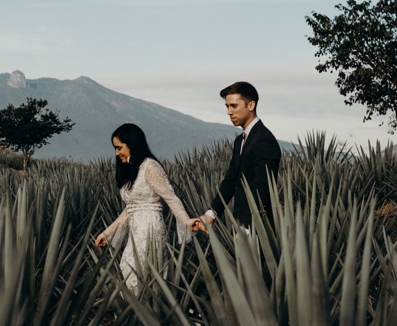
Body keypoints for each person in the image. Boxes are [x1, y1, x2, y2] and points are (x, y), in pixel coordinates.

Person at [95, 123, 201, 295]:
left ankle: (144, 316)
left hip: (151, 231)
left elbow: (171, 197)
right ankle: (136, 318)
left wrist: (186, 221)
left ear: (133, 144)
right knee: (128, 270)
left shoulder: (150, 167)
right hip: (135, 232)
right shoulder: (132, 169)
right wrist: (108, 233)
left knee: (137, 274)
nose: (116, 153)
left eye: (119, 147)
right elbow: (131, 209)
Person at [197, 82, 282, 233]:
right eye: (227, 106)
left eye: (234, 106)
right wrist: (212, 213)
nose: (229, 112)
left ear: (251, 105)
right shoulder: (240, 141)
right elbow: (231, 180)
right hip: (240, 225)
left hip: (257, 230)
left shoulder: (264, 140)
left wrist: (247, 228)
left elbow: (262, 189)